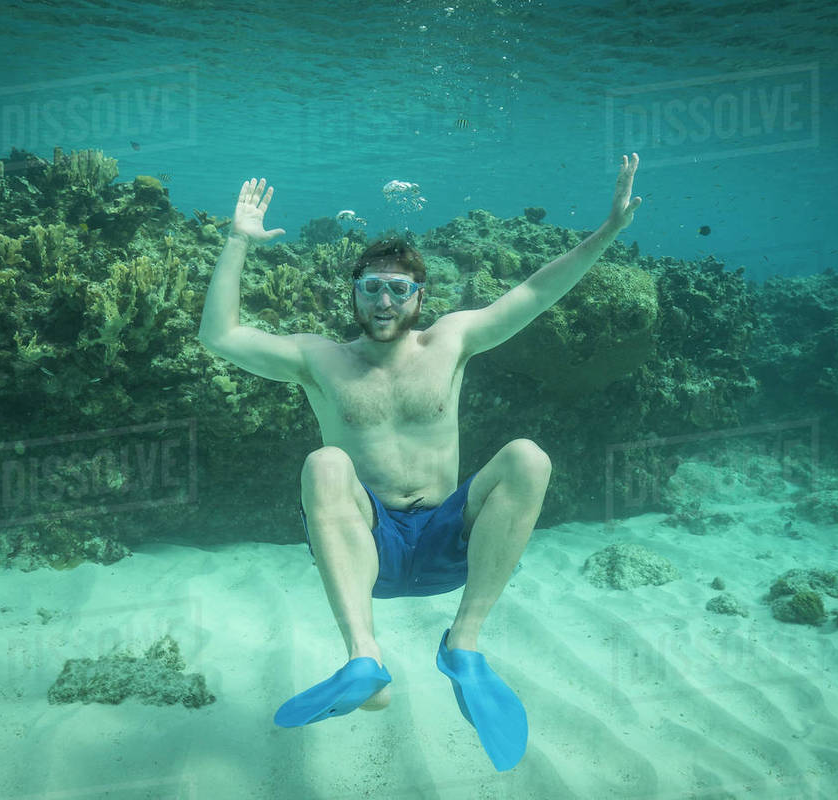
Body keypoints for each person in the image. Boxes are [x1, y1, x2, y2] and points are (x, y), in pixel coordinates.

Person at [198, 155, 641, 771]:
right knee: (326, 463)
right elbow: (218, 336)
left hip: (447, 544)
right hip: (368, 551)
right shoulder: (317, 358)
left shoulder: (451, 341)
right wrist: (237, 241)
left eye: (398, 288)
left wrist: (608, 232)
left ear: (419, 296)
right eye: (370, 287)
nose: (384, 300)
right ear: (352, 295)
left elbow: (537, 292)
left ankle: (464, 646)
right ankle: (363, 658)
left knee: (527, 458)